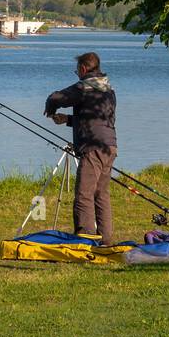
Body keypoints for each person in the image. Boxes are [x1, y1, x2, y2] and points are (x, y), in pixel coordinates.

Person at [44, 51, 117, 246]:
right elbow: (95, 120)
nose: (77, 74)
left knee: (84, 194)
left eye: (77, 71)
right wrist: (67, 120)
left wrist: (50, 110)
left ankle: (85, 239)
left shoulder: (85, 86)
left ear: (83, 69)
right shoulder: (108, 89)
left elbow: (56, 97)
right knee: (101, 194)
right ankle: (106, 240)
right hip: (109, 146)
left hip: (92, 148)